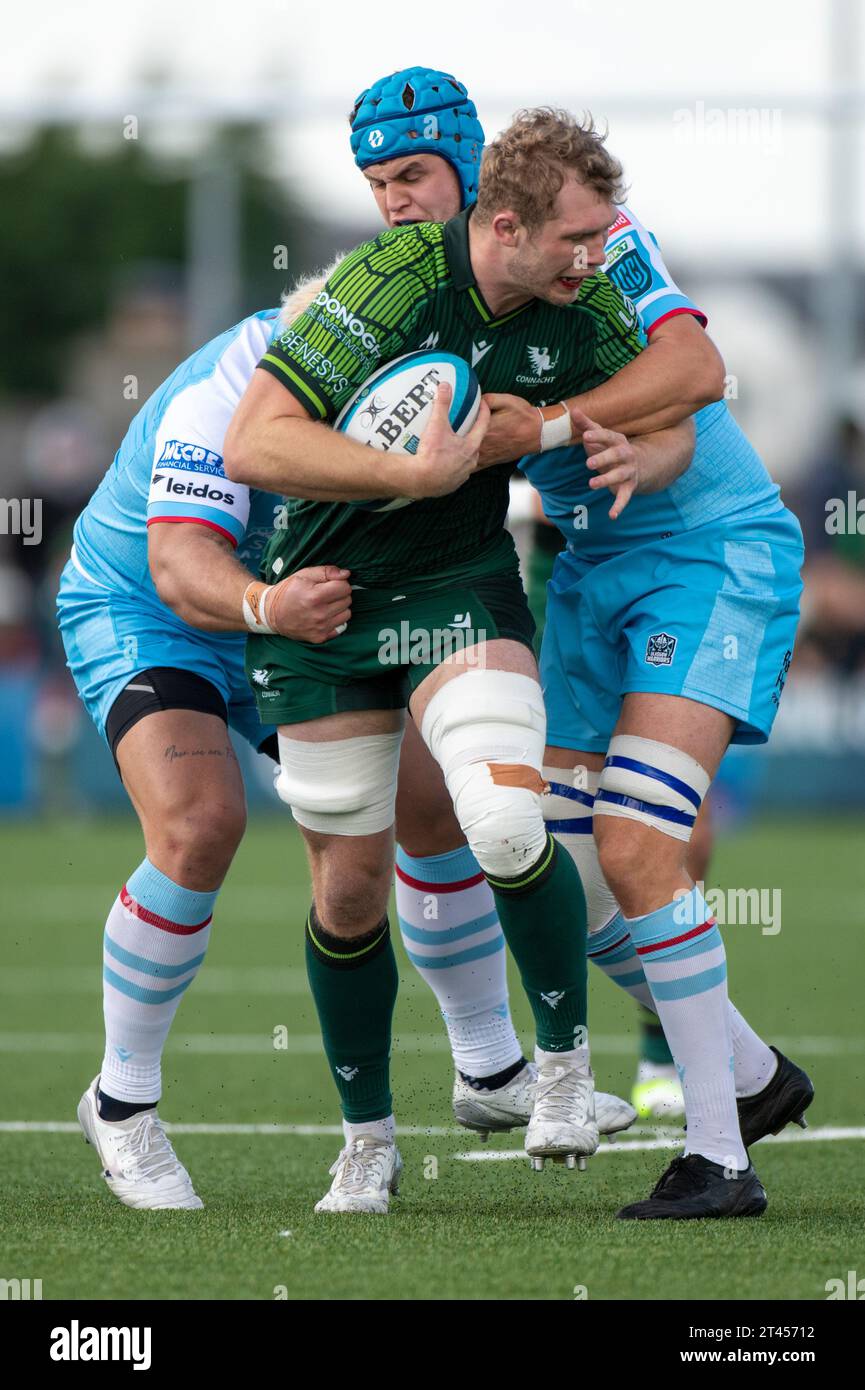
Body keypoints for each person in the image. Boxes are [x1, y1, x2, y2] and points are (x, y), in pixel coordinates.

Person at [340, 69, 813, 1199]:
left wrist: (560, 430)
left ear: (476, 186)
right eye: (376, 183)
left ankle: (716, 1154)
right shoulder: (413, 290)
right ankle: (742, 1068)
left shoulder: (588, 245)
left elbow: (694, 377)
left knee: (641, 845)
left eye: (410, 175)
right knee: (548, 849)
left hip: (707, 560)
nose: (394, 201)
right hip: (588, 573)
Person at [224, 106, 696, 1212]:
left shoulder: (576, 295)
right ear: (505, 226)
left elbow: (694, 382)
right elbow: (256, 442)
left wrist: (646, 446)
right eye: (578, 238)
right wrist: (414, 475)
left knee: (503, 817)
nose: (599, 256)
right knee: (347, 893)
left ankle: (565, 1074)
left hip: (458, 586)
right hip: (325, 599)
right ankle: (367, 1142)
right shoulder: (388, 283)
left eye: (601, 235)